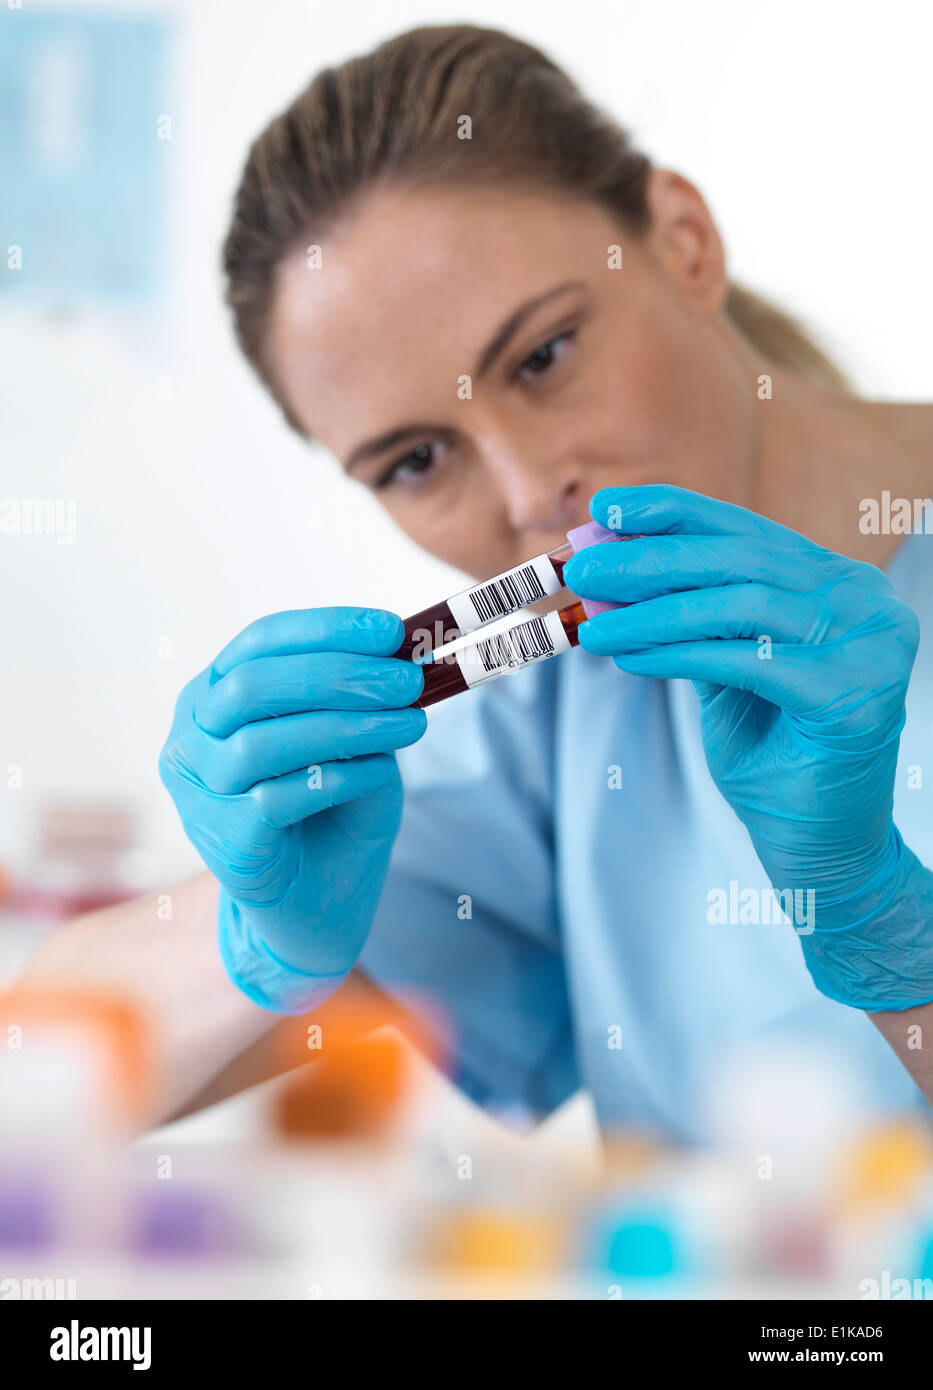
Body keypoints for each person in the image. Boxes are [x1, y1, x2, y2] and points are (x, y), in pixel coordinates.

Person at [21, 24, 933, 1138]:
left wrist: (884, 924)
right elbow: (36, 1066)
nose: (529, 485)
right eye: (416, 461)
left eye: (544, 355)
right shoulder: (560, 706)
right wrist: (257, 946)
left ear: (685, 240)